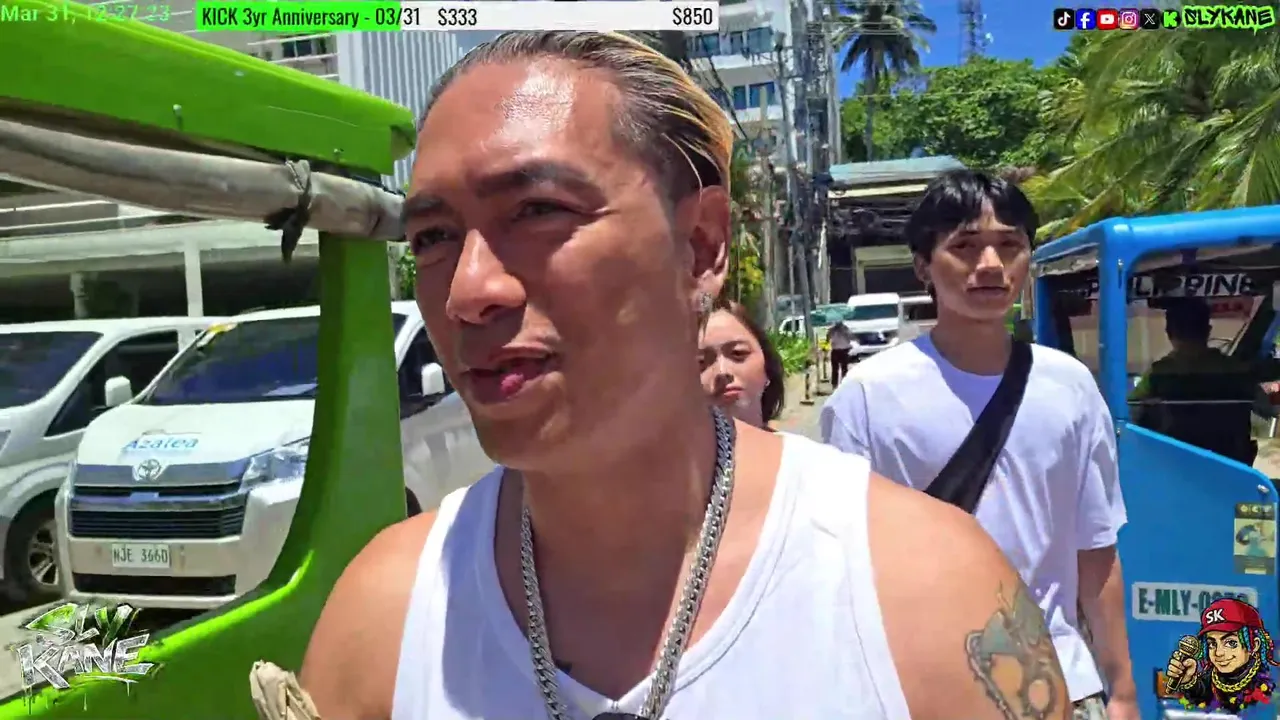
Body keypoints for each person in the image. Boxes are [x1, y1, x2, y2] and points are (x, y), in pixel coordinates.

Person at [301, 32, 1071, 720]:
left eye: (537, 211)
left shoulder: (927, 595)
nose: (469, 291)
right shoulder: (385, 618)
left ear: (701, 246)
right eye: (434, 236)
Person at [820, 169, 1138, 720]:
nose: (990, 264)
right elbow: (840, 569)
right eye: (964, 247)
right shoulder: (867, 396)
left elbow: (1095, 550)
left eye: (1009, 245)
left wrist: (1124, 689)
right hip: (923, 692)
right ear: (923, 265)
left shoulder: (1070, 386)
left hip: (1059, 684)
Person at [1129, 298, 1274, 465]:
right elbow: (1267, 408)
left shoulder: (1157, 374)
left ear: (1169, 333)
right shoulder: (1236, 370)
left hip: (1174, 464)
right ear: (1208, 330)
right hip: (1231, 465)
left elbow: (1131, 412)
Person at [698, 298, 783, 429]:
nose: (722, 371)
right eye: (701, 362)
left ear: (767, 366)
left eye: (738, 353)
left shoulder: (797, 443)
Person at [826, 318, 854, 387]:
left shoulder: (844, 329)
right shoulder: (833, 330)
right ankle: (836, 384)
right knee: (837, 368)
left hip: (842, 350)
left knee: (842, 368)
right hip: (838, 350)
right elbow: (828, 338)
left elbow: (851, 337)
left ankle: (841, 384)